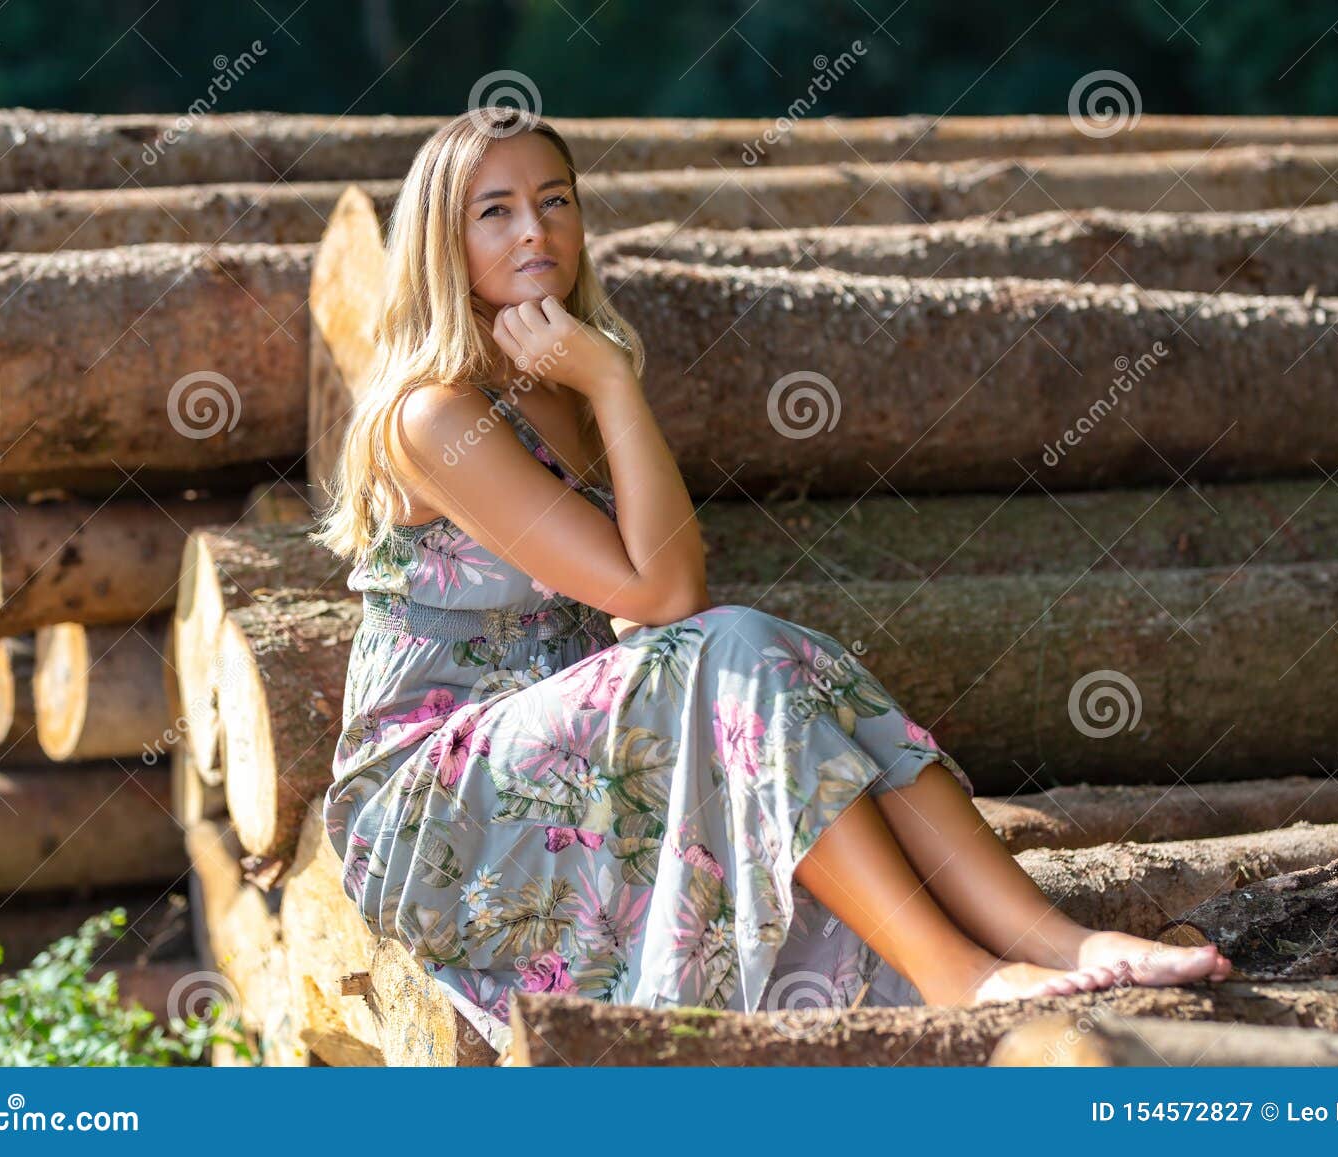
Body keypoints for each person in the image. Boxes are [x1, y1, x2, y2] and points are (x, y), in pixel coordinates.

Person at [311, 106, 1232, 1056]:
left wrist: (599, 386)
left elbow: (671, 597)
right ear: (441, 242)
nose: (536, 230)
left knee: (786, 657)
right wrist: (618, 383)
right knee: (740, 641)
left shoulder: (560, 378)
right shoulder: (435, 416)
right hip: (434, 806)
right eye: (494, 212)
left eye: (555, 201)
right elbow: (663, 596)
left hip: (559, 750)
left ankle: (1056, 939)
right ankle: (961, 975)